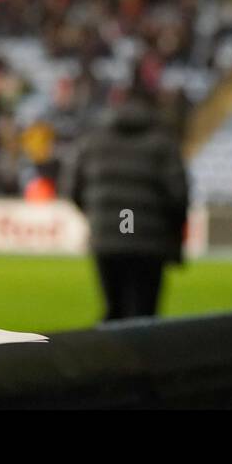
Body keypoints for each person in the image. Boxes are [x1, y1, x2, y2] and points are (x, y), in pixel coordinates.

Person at [64, 84, 189, 321]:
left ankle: (108, 356)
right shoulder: (163, 142)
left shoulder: (92, 139)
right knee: (145, 316)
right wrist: (171, 233)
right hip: (150, 243)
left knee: (113, 310)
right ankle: (144, 357)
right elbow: (179, 195)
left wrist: (98, 217)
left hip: (106, 240)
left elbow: (72, 188)